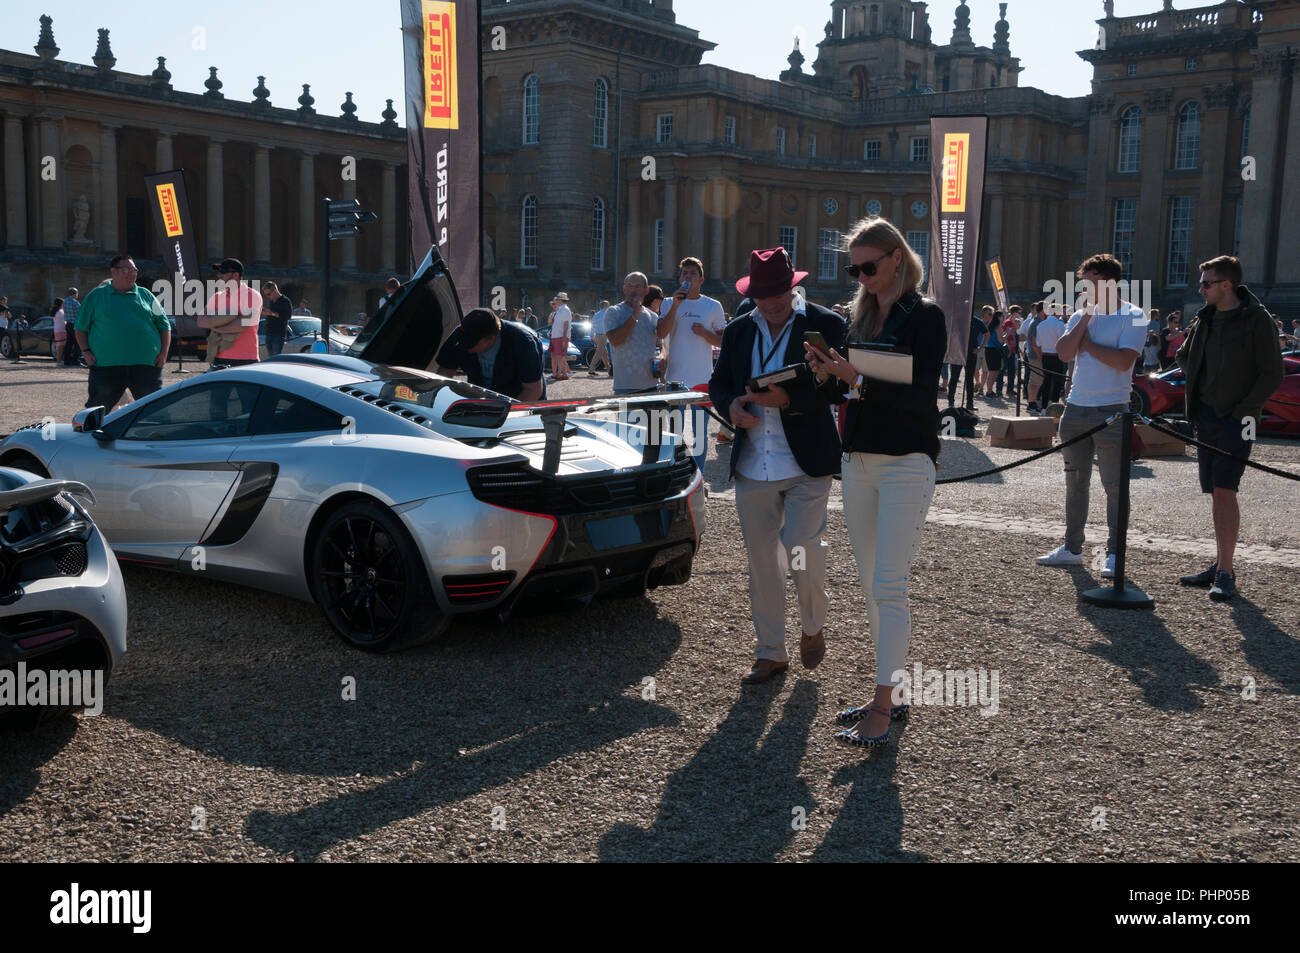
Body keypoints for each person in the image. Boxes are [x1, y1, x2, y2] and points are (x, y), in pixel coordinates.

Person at [805, 216, 946, 749]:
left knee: (890, 584)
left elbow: (919, 394)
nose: (862, 276)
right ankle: (895, 689)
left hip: (907, 458)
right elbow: (842, 396)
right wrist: (825, 375)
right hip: (859, 459)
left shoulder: (924, 316)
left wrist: (854, 378)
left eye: (869, 266)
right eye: (853, 268)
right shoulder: (859, 316)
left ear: (896, 258)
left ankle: (884, 706)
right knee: (870, 586)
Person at [708, 246, 846, 685]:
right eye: (762, 294)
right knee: (764, 564)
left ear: (793, 286)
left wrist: (790, 398)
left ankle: (812, 625)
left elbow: (838, 390)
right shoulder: (736, 331)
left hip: (807, 462)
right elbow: (719, 383)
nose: (770, 303)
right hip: (752, 463)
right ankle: (770, 651)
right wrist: (731, 407)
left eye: (778, 293)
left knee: (804, 553)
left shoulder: (825, 324)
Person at [1175, 255, 1285, 601]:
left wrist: (1243, 413)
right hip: (1206, 416)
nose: (1200, 289)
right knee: (1215, 490)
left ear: (1227, 285)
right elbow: (1184, 356)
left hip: (1241, 419)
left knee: (1226, 489)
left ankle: (1225, 571)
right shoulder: (1205, 318)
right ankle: (1222, 563)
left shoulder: (1256, 319)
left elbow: (1272, 373)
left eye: (1206, 283)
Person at [1036, 254, 1147, 579]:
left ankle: (1114, 554)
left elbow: (1123, 362)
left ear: (1110, 283)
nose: (1085, 288)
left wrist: (1088, 343)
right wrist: (1084, 320)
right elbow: (1065, 353)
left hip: (1113, 411)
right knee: (1075, 483)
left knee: (1114, 487)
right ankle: (1072, 549)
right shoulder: (1081, 316)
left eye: (1091, 282)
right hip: (1075, 409)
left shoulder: (1134, 315)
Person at [656, 257, 727, 470]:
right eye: (684, 273)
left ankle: (698, 477)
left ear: (701, 279)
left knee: (699, 434)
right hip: (674, 380)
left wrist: (706, 334)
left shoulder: (712, 306)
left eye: (692, 274)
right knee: (675, 433)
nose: (687, 277)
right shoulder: (669, 303)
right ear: (679, 278)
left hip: (702, 380)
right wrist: (676, 306)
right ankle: (677, 476)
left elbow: (724, 342)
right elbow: (661, 333)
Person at [73, 255, 171, 410]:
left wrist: (164, 353)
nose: (131, 273)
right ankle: (93, 434)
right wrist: (85, 351)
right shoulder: (96, 296)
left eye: (134, 270)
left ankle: (153, 434)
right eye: (126, 269)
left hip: (145, 365)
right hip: (106, 365)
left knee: (153, 410)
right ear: (113, 272)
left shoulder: (146, 295)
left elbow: (164, 326)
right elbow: (80, 327)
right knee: (97, 410)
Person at [436, 307, 545, 400]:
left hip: (522, 402)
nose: (464, 345)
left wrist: (503, 416)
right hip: (481, 402)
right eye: (463, 339)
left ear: (491, 338)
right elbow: (444, 374)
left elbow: (533, 391)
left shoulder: (523, 342)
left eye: (470, 342)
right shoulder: (459, 334)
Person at [199, 258, 262, 369]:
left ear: (236, 275)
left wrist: (217, 327)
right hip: (219, 357)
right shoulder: (217, 296)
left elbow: (243, 324)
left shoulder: (252, 295)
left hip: (245, 359)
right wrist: (231, 322)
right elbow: (201, 321)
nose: (219, 275)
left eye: (223, 272)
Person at [604, 273, 659, 395]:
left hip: (652, 386)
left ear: (646, 290)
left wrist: (662, 361)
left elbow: (661, 346)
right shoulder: (614, 312)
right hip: (625, 387)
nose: (633, 290)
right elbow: (615, 341)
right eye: (630, 286)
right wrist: (635, 316)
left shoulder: (653, 317)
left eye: (637, 286)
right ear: (624, 289)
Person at [1036, 304, 1067, 407]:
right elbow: (1063, 341)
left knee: (1046, 382)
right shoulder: (1059, 324)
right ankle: (1054, 405)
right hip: (1056, 356)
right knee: (1057, 383)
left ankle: (1044, 406)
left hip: (1045, 356)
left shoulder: (1040, 325)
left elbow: (1038, 343)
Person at [1020, 301, 1044, 412]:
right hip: (1035, 356)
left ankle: (1032, 402)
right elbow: (1035, 343)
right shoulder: (1036, 323)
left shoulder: (1037, 321)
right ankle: (1031, 403)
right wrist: (1040, 356)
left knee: (1036, 380)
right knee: (1035, 381)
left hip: (1033, 355)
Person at [261, 280, 292, 357]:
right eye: (266, 295)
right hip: (269, 333)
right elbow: (271, 316)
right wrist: (266, 314)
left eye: (268, 294)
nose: (267, 297)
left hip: (278, 334)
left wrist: (272, 313)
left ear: (275, 290)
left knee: (275, 358)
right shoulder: (271, 302)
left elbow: (287, 316)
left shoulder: (285, 301)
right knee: (270, 358)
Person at [547, 292, 572, 381]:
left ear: (560, 300)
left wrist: (564, 337)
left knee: (560, 355)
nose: (556, 301)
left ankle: (560, 374)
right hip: (557, 336)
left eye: (557, 299)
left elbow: (566, 324)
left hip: (561, 336)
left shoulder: (565, 310)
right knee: (559, 355)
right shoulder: (561, 310)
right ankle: (563, 374)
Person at [587, 299, 612, 376]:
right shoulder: (607, 313)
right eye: (608, 305)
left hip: (597, 335)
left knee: (604, 353)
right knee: (599, 352)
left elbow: (592, 326)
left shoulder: (596, 314)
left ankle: (609, 369)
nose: (609, 306)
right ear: (605, 306)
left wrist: (592, 336)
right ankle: (591, 369)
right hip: (603, 335)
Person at [983, 310, 1004, 397]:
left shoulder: (989, 325)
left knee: (992, 371)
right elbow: (1000, 340)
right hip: (995, 350)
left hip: (989, 349)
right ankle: (989, 391)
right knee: (993, 372)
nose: (1004, 318)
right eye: (1002, 316)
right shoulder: (998, 326)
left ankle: (990, 391)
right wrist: (1008, 334)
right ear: (999, 317)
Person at [62, 288, 83, 366]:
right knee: (78, 343)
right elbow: (81, 313)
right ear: (75, 294)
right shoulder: (75, 303)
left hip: (68, 324)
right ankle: (76, 360)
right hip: (75, 324)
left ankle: (66, 360)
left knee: (69, 343)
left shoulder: (65, 302)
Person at [51, 296, 67, 364]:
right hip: (61, 330)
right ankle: (59, 361)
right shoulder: (61, 312)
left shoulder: (56, 311)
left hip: (57, 330)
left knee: (59, 346)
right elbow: (64, 321)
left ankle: (59, 360)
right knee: (61, 347)